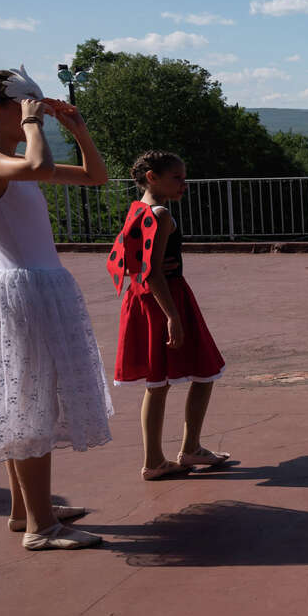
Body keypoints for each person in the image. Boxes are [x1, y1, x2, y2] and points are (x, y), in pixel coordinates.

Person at [0, 67, 112, 550]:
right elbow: (38, 168)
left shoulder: (11, 161)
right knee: (29, 402)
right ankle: (41, 529)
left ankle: (25, 509)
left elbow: (95, 176)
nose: (33, 114)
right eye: (24, 105)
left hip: (39, 286)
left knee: (26, 397)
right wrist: (34, 127)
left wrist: (78, 129)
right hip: (20, 290)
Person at [111, 151, 228, 480]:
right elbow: (155, 273)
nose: (184, 184)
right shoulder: (161, 215)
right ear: (152, 177)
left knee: (157, 383)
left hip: (143, 300)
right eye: (177, 177)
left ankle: (157, 458)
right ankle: (185, 449)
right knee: (205, 372)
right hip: (167, 298)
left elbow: (134, 263)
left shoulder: (139, 209)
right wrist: (173, 317)